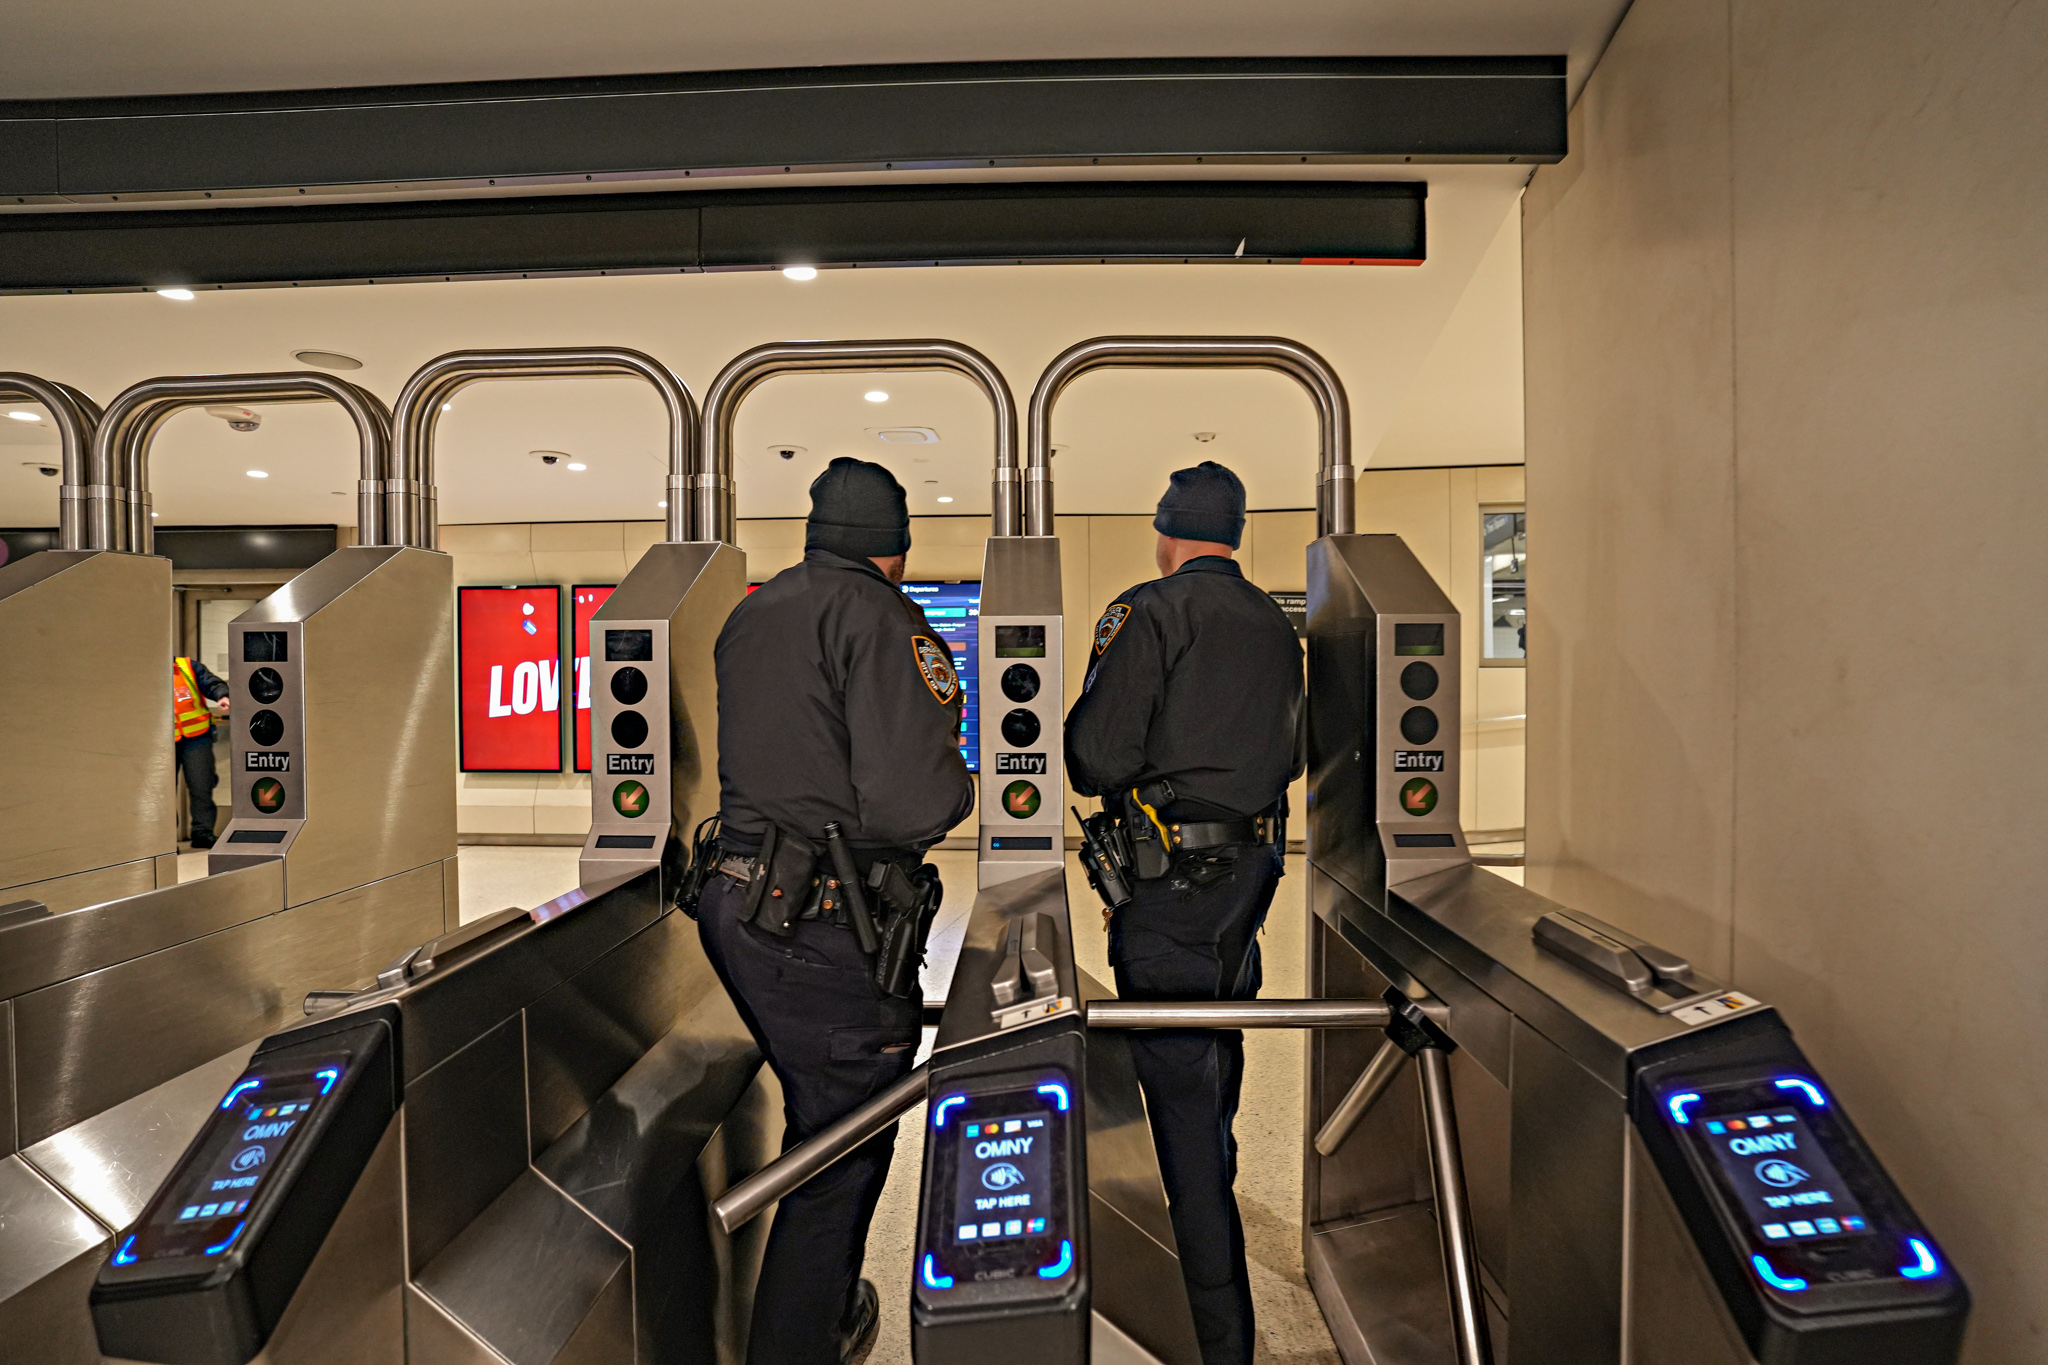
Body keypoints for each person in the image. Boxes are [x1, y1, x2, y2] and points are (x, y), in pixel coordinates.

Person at [699, 457, 975, 1365]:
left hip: (737, 901)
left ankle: (821, 1310)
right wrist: (965, 786)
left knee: (821, 1117)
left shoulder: (754, 612)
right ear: (896, 550)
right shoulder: (886, 618)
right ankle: (800, 1339)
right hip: (821, 921)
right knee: (841, 1145)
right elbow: (911, 799)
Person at [1065, 461, 1303, 1365]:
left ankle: (1220, 1341)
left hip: (1171, 886)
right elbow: (1295, 750)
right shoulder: (1275, 623)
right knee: (1215, 1047)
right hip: (1250, 877)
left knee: (1180, 1108)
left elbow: (1096, 754)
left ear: (1165, 533)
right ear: (1233, 536)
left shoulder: (1149, 610)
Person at [173, 655, 230, 849]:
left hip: (196, 737)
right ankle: (165, 840)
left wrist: (222, 695)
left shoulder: (187, 666)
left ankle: (202, 832)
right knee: (162, 793)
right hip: (162, 742)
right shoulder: (144, 671)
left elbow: (211, 683)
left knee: (201, 785)